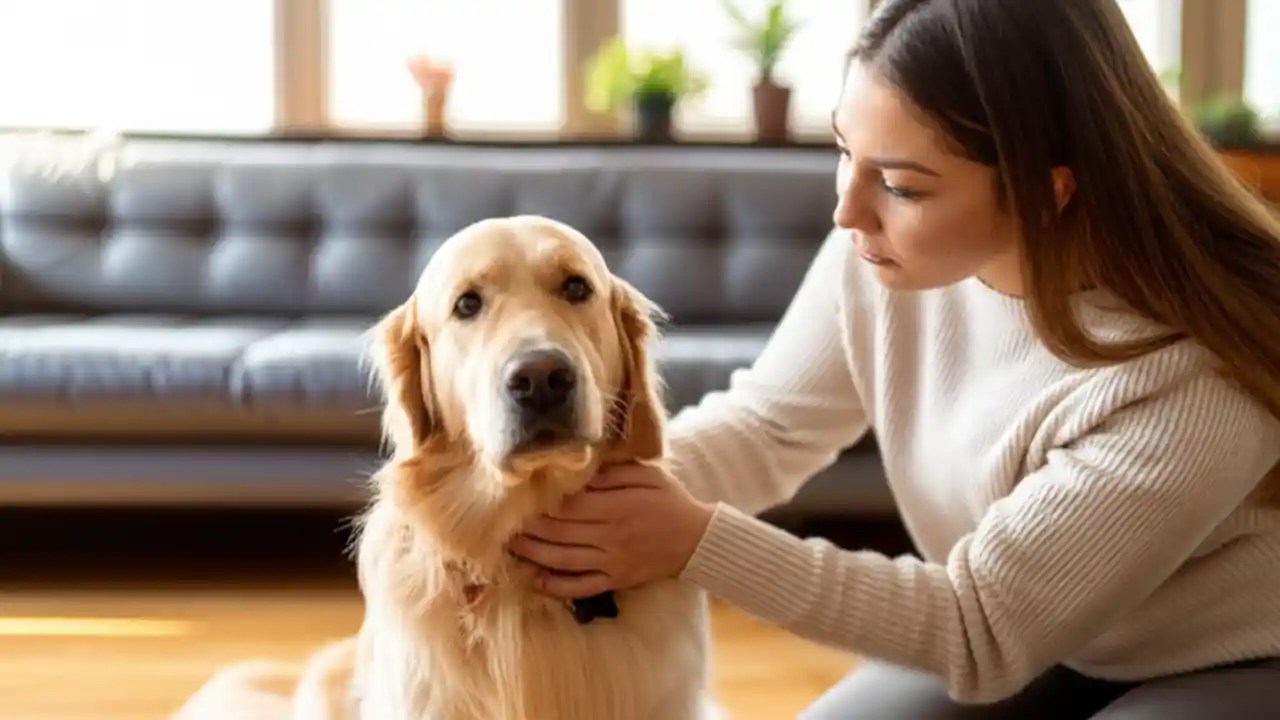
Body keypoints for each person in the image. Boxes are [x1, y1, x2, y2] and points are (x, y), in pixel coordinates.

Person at [510, 0, 1280, 716]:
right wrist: (550, 513)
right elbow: (769, 429)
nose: (848, 209)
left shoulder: (1193, 374)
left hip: (1216, 659)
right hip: (1031, 633)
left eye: (903, 186)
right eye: (847, 150)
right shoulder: (883, 253)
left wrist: (693, 540)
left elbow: (979, 629)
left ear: (1049, 192)